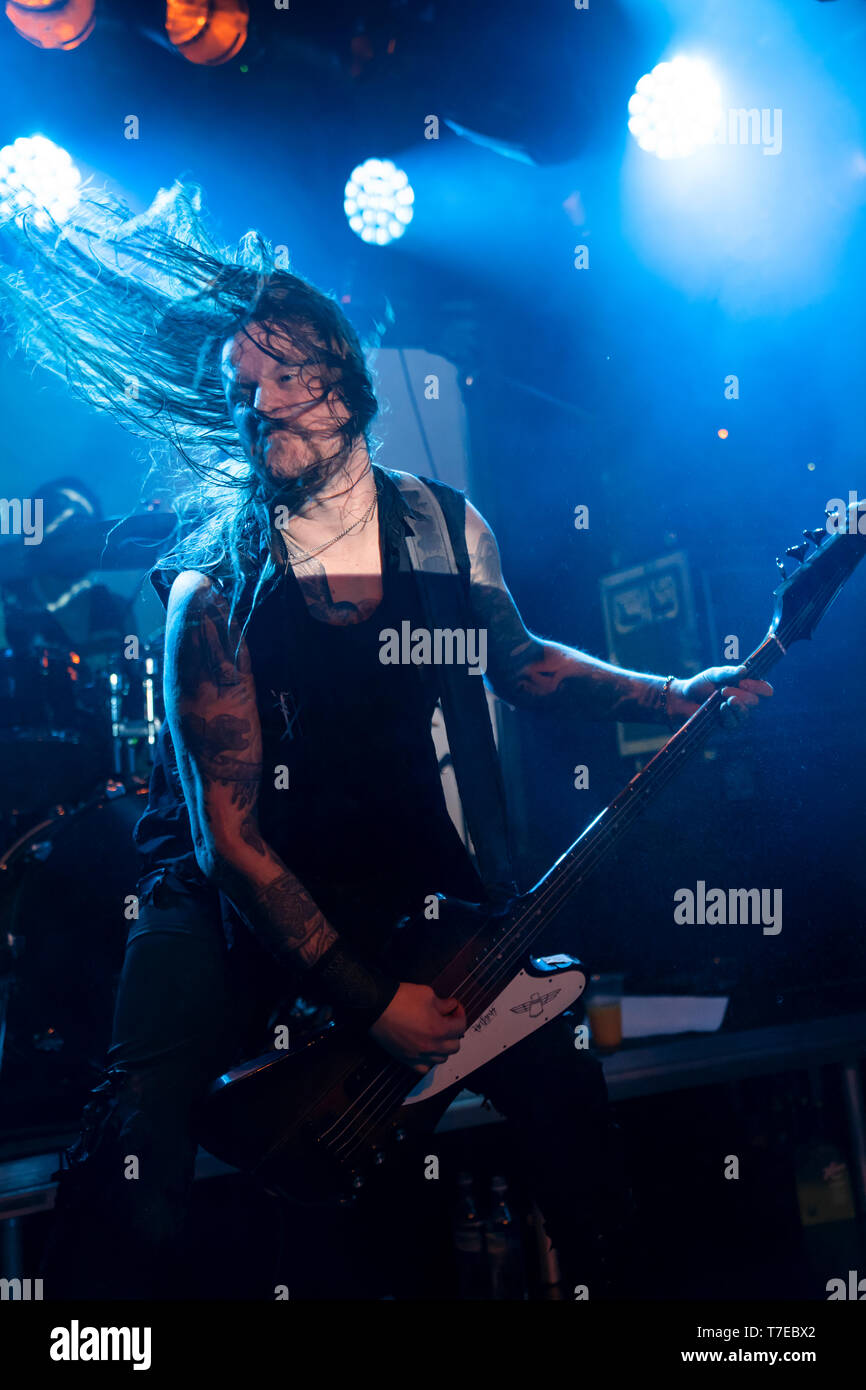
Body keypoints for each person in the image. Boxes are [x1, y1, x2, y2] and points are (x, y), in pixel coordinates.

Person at [1, 186, 771, 1299]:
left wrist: (670, 688)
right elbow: (232, 843)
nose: (260, 409)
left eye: (286, 381)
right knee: (139, 1139)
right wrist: (373, 1003)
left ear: (348, 388)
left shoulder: (444, 528)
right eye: (241, 393)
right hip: (226, 887)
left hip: (392, 879)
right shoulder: (211, 587)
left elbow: (524, 663)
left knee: (571, 1127)